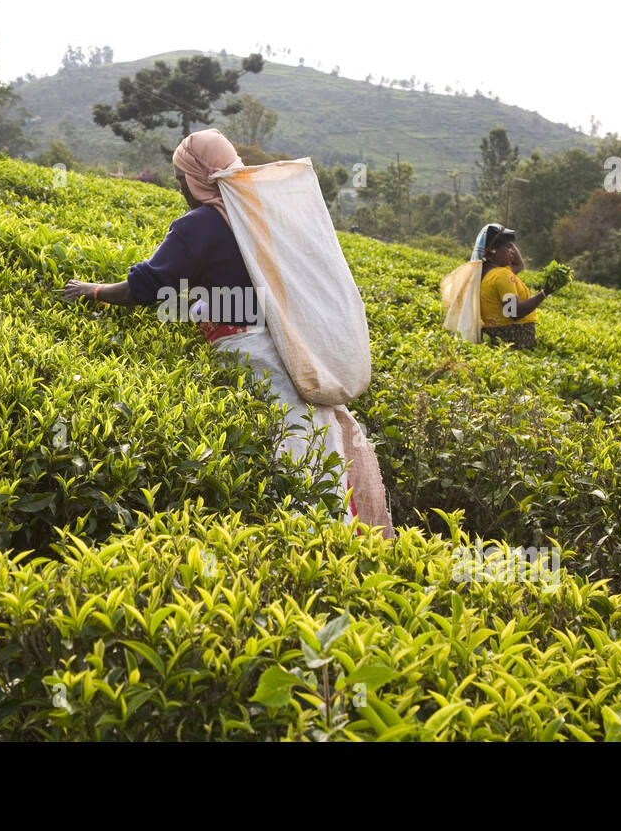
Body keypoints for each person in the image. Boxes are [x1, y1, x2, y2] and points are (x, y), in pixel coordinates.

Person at [63, 129, 393, 538]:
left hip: (254, 353)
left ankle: (309, 547)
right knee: (318, 447)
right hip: (296, 347)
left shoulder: (198, 226)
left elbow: (144, 288)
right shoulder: (261, 213)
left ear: (198, 178)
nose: (178, 186)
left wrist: (91, 291)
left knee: (288, 451)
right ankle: (346, 544)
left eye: (181, 177)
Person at [477, 224, 554, 349]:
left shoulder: (486, 272)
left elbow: (519, 265)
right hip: (511, 336)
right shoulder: (502, 275)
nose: (512, 251)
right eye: (508, 247)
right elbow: (513, 312)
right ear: (493, 250)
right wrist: (544, 293)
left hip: (494, 334)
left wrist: (507, 239)